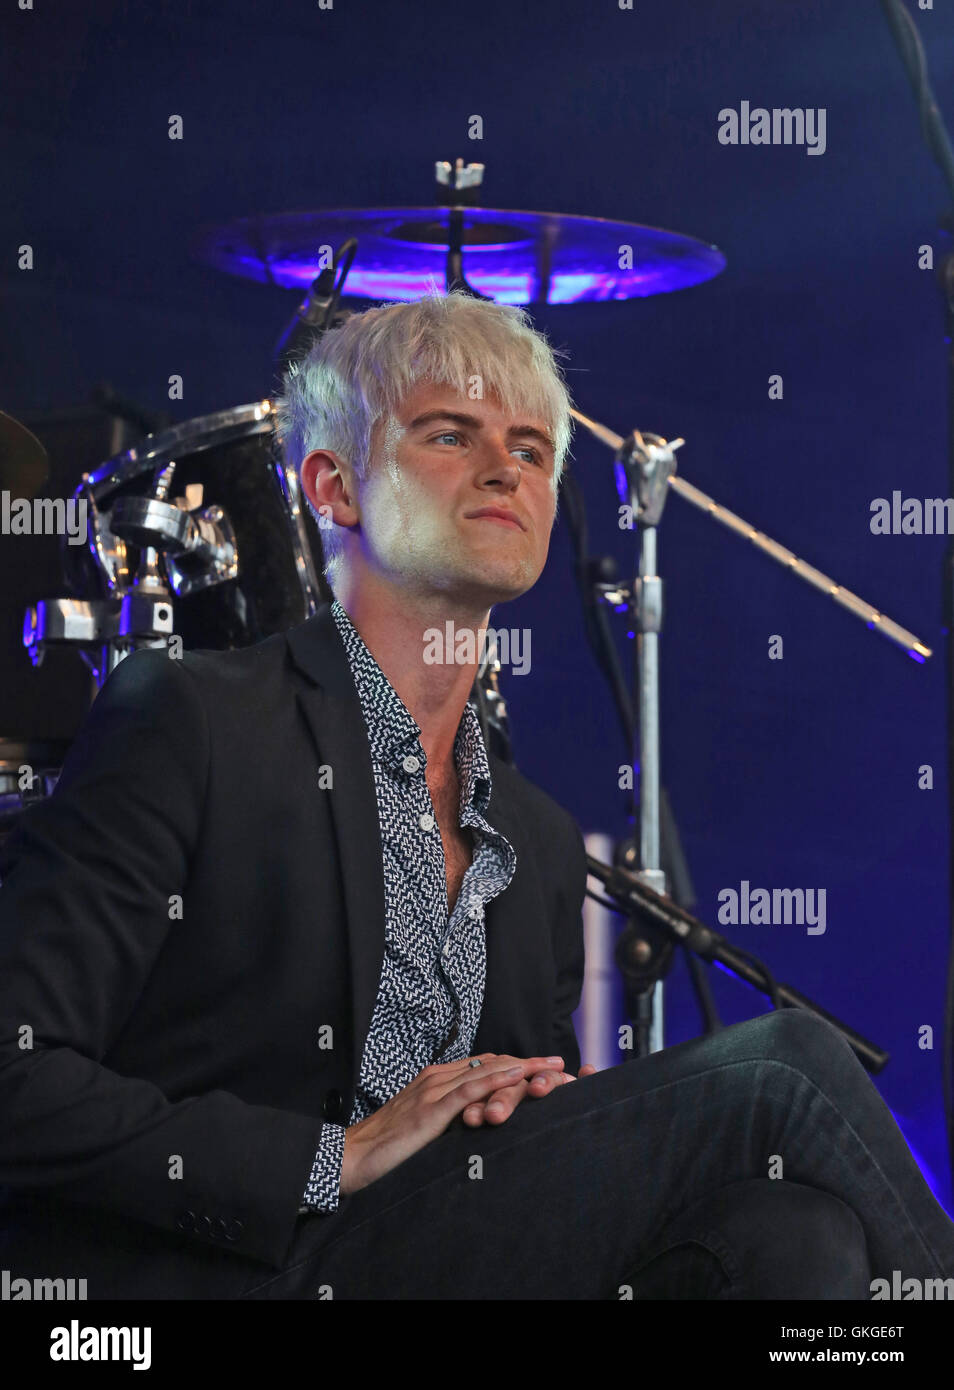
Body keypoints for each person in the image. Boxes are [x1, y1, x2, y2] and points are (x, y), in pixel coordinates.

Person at [1, 291, 952, 1301]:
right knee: (785, 1066)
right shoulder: (191, 721)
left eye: (535, 449)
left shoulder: (533, 838)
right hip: (246, 1268)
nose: (507, 467)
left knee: (796, 1234)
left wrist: (560, 1112)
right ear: (334, 487)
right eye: (450, 435)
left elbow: (516, 1151)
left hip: (454, 1260)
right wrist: (332, 1157)